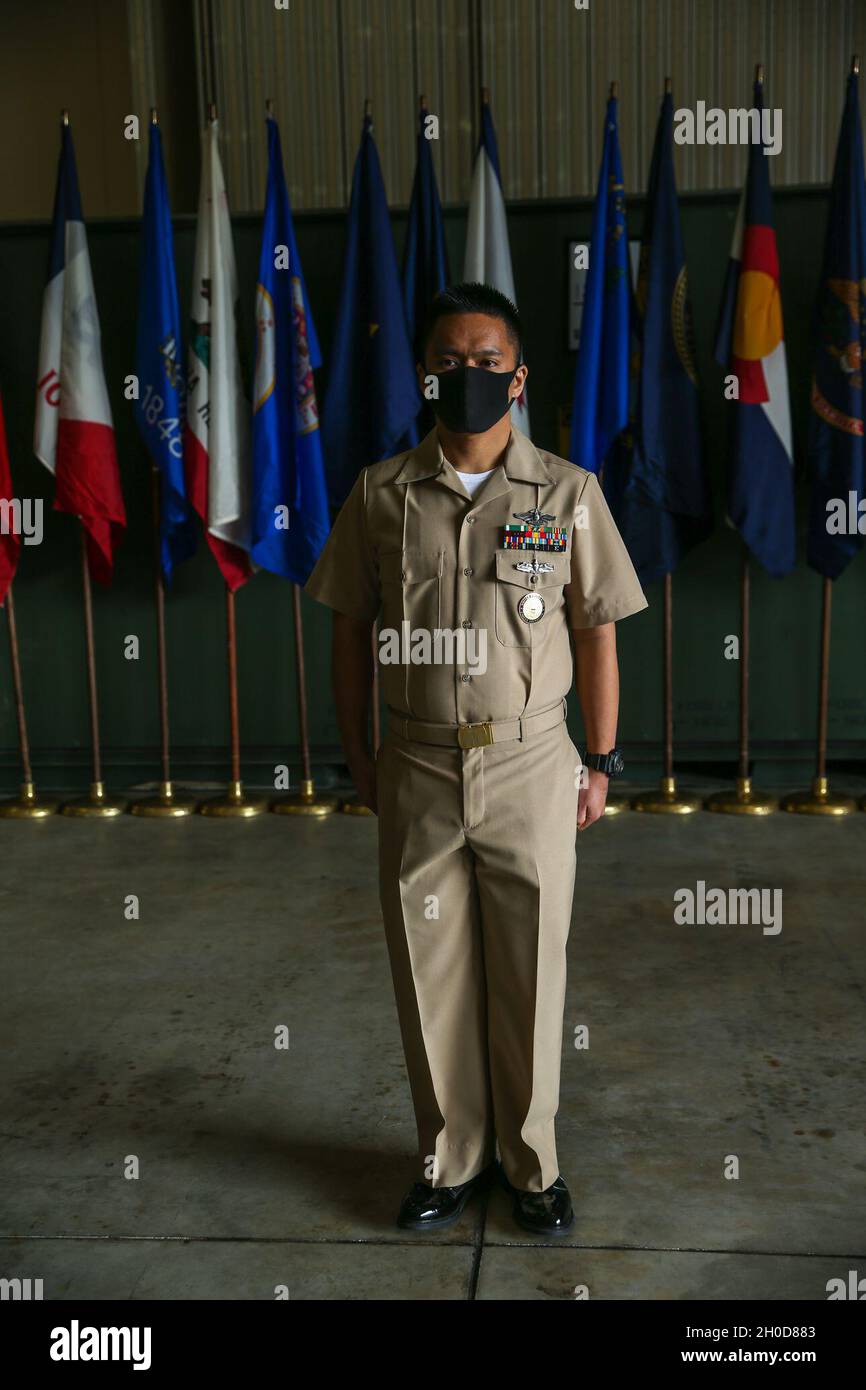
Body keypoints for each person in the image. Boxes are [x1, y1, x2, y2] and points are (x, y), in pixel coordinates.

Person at [306, 282, 647, 1235]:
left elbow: (599, 633)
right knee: (432, 968)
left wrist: (603, 760)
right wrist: (359, 757)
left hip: (532, 763)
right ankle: (450, 1157)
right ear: (426, 374)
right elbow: (346, 635)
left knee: (532, 971)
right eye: (451, 362)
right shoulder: (380, 494)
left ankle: (531, 1163)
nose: (470, 377)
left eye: (488, 362)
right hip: (415, 765)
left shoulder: (569, 493)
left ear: (520, 378)